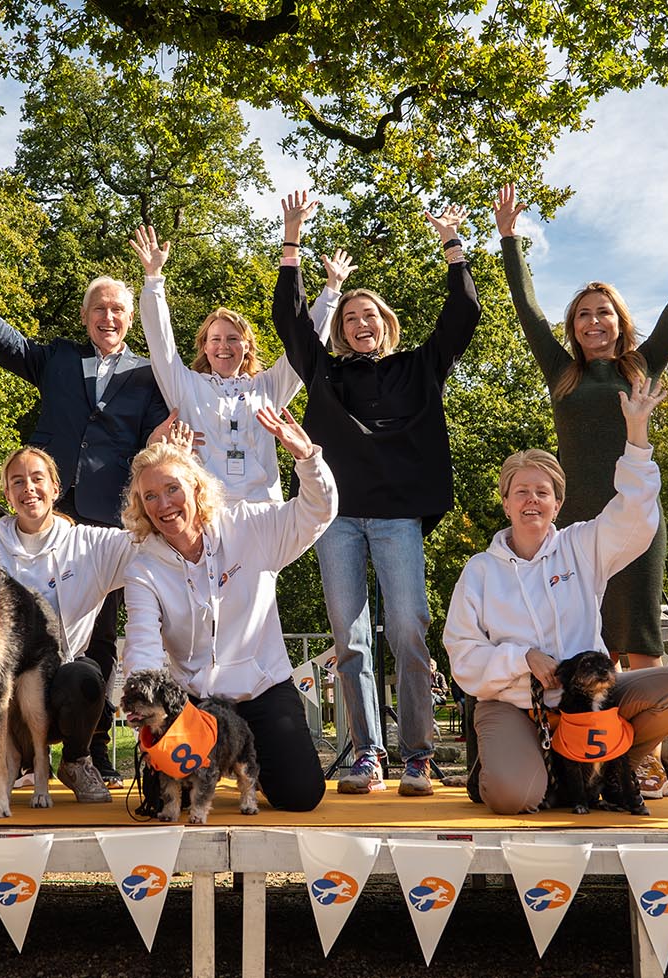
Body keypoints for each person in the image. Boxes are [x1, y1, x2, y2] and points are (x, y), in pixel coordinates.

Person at [492, 171, 668, 799]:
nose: (594, 322)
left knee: (639, 635)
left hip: (634, 517)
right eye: (583, 315)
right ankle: (590, 755)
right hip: (575, 527)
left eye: (604, 313)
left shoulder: (641, 367)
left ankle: (644, 758)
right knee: (588, 641)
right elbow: (526, 308)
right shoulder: (561, 374)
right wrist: (509, 238)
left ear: (620, 322)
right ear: (574, 327)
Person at [0, 219, 169, 786]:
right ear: (85, 317)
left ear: (131, 319)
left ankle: (88, 752)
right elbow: (5, 342)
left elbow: (158, 437)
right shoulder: (58, 358)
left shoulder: (150, 375)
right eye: (99, 309)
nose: (108, 317)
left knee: (97, 642)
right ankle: (2, 736)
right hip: (42, 506)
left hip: (104, 520)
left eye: (118, 310)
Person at [273, 191, 481, 797]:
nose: (360, 324)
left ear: (386, 324)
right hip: (337, 518)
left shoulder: (419, 367)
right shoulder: (327, 372)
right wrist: (292, 242)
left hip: (397, 517)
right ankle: (367, 754)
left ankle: (417, 754)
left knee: (409, 628)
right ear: (340, 332)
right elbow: (290, 319)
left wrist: (452, 245)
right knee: (351, 637)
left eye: (370, 316)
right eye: (350, 319)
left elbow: (464, 313)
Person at [443, 379, 668, 815]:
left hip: (589, 704)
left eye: (542, 492)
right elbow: (463, 655)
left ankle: (612, 771)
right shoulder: (480, 571)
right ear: (506, 503)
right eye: (521, 492)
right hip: (516, 705)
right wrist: (522, 658)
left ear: (558, 504)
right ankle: (504, 766)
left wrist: (637, 435)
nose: (531, 500)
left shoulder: (581, 546)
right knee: (515, 798)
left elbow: (635, 518)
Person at [120, 407, 337, 812]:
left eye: (172, 489)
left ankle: (251, 766)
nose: (164, 504)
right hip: (195, 701)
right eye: (149, 496)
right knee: (163, 800)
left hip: (262, 689)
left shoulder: (249, 525)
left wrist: (307, 460)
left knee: (300, 795)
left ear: (196, 486)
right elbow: (142, 644)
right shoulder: (143, 569)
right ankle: (216, 765)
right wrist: (146, 706)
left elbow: (317, 513)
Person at [0, 446, 138, 805]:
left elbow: (148, 537)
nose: (28, 488)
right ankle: (14, 760)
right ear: (7, 494)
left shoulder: (91, 544)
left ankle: (76, 760)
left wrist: (167, 463)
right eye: (17, 481)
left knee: (85, 676)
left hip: (59, 691)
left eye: (37, 478)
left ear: (56, 488)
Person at [131, 224, 355, 501]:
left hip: (263, 509)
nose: (223, 346)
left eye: (233, 339)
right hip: (208, 509)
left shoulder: (268, 387)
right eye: (215, 339)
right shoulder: (186, 385)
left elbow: (305, 347)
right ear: (204, 347)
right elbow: (160, 343)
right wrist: (153, 278)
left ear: (246, 346)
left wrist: (332, 290)